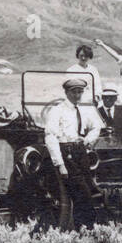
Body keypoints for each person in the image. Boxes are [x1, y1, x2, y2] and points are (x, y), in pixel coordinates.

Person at [44, 77, 102, 228]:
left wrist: (88, 140)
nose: (77, 95)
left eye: (80, 92)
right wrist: (60, 164)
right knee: (82, 194)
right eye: (74, 92)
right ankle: (85, 228)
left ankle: (82, 229)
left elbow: (97, 126)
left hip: (80, 152)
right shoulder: (57, 111)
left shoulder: (83, 110)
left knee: (86, 191)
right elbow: (50, 138)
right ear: (66, 92)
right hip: (67, 153)